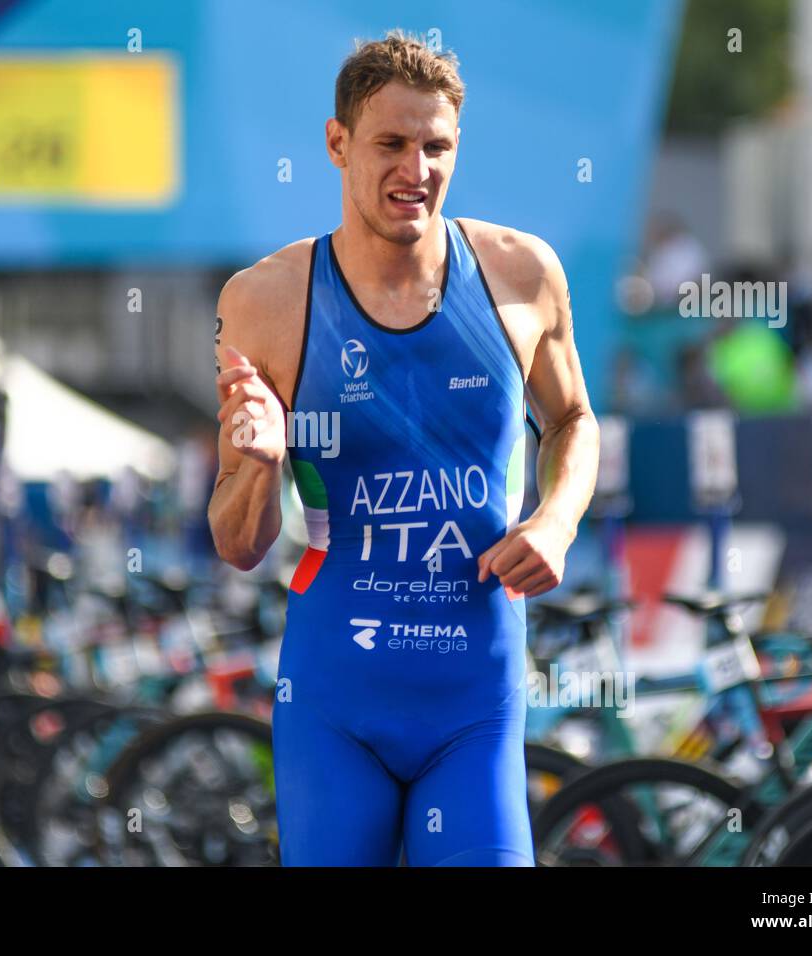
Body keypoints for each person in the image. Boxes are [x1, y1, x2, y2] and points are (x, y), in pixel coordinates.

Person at [207, 31, 599, 866]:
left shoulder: (522, 274)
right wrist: (267, 464)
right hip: (333, 701)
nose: (415, 170)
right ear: (337, 142)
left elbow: (572, 423)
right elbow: (239, 545)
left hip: (474, 701)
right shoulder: (266, 301)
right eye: (390, 143)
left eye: (437, 146)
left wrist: (555, 520)